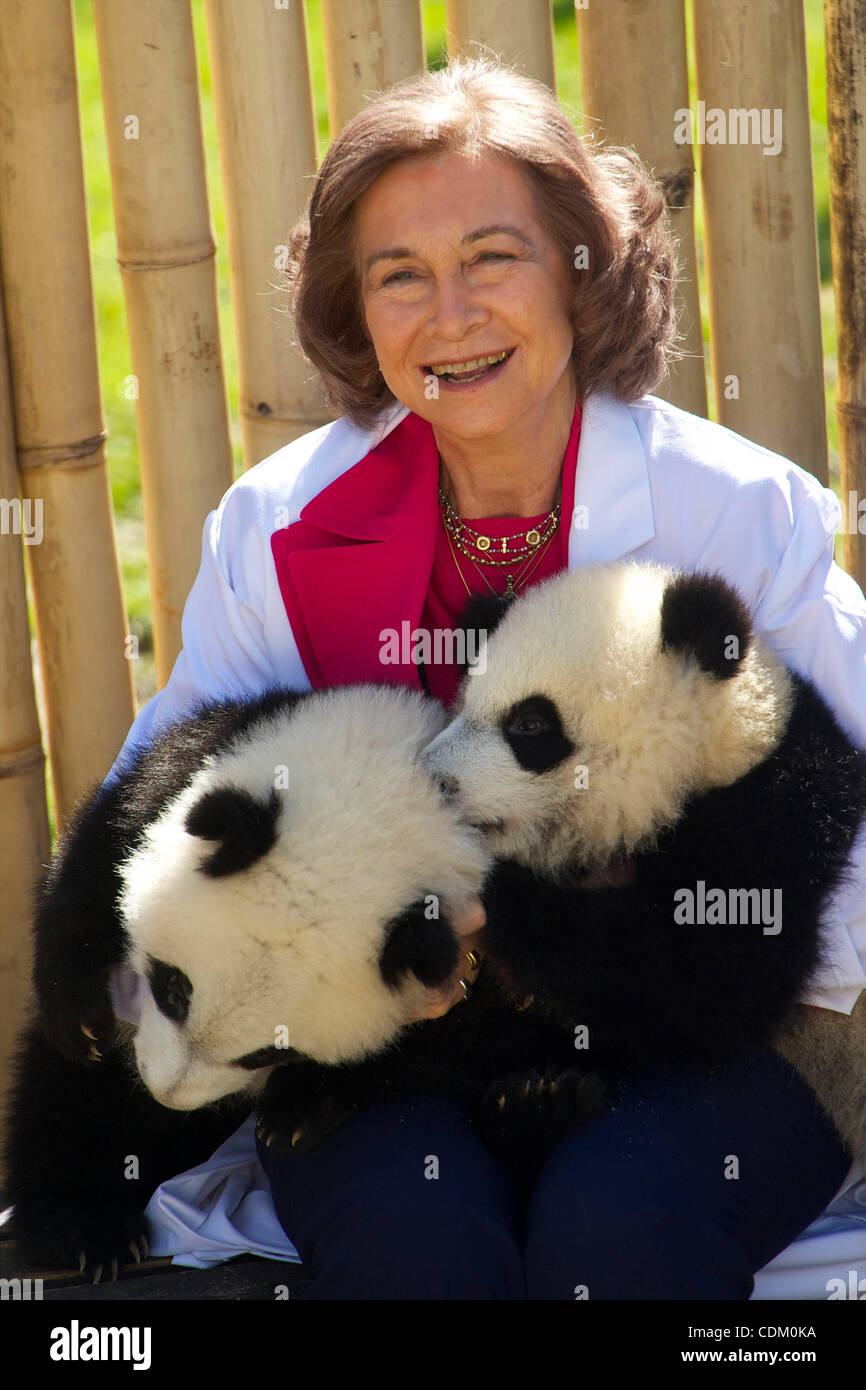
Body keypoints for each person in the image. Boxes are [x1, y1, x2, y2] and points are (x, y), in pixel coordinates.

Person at [105, 54, 866, 1299]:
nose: (447, 312)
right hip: (393, 1038)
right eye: (398, 275)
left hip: (710, 1019)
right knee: (419, 1247)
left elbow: (846, 810)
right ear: (356, 312)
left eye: (492, 258)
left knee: (615, 1237)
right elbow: (165, 806)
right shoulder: (279, 528)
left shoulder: (730, 510)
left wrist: (680, 968)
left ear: (585, 271)